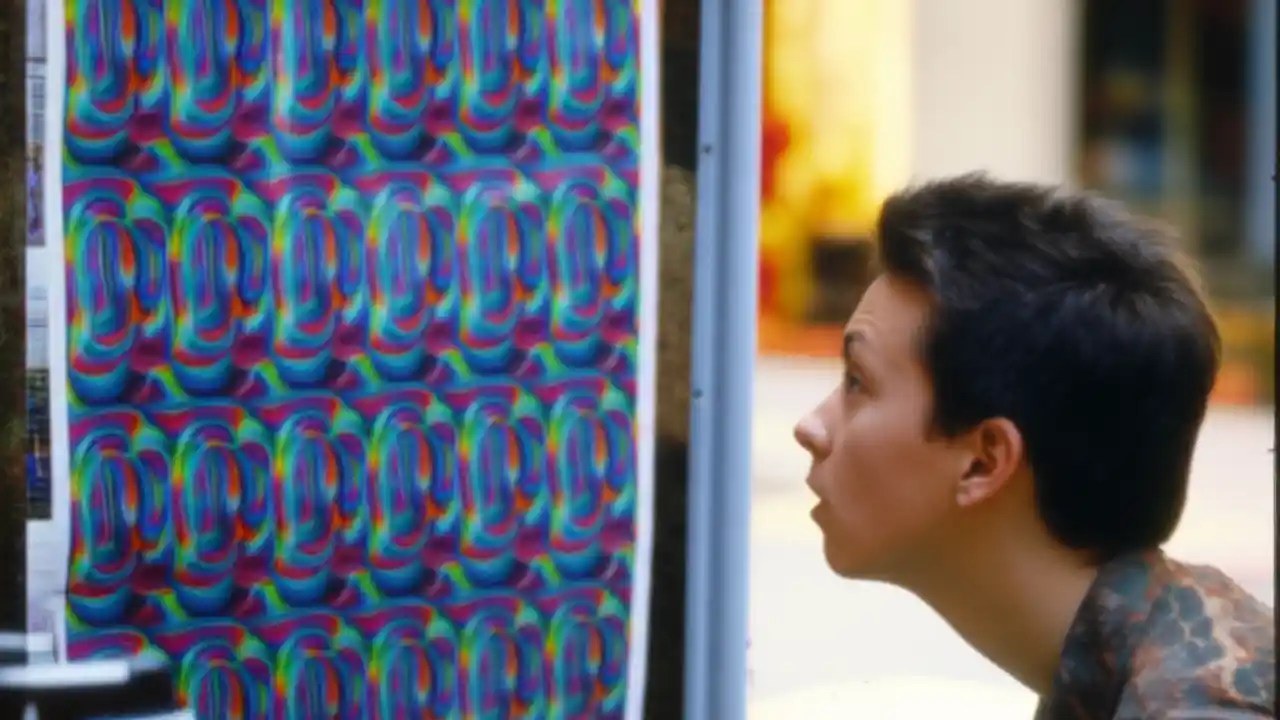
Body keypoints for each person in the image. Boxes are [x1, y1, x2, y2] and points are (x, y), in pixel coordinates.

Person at [793, 174, 1274, 719]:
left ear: (985, 460)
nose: (811, 426)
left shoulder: (1193, 705)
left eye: (858, 381)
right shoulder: (1142, 659)